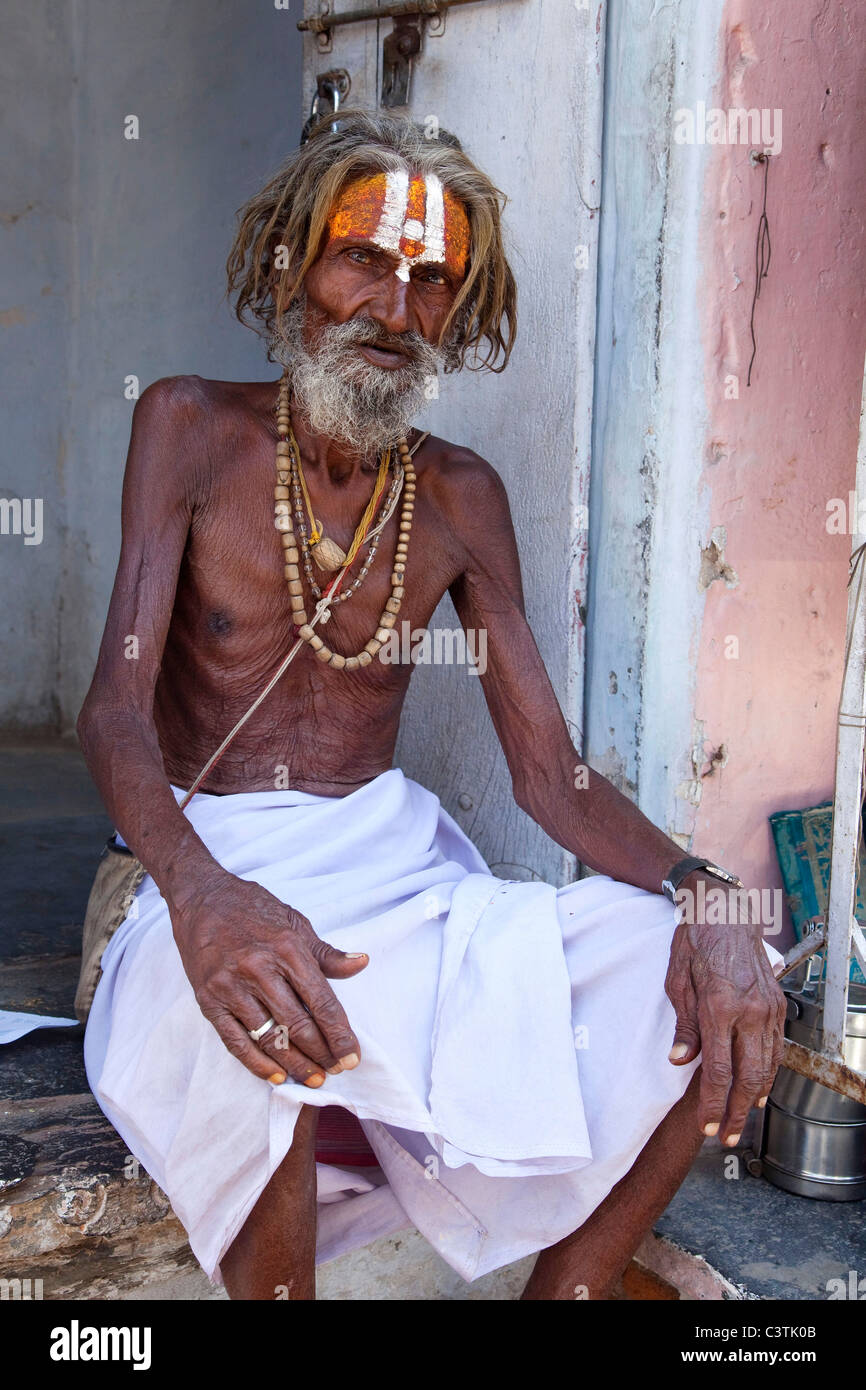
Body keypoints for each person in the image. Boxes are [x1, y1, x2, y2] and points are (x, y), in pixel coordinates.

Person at [78, 109, 785, 1301]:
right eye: (362, 260)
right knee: (265, 1011)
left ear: (461, 307)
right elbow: (112, 711)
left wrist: (709, 895)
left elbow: (548, 776)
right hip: (192, 857)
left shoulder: (459, 495)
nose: (391, 311)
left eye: (430, 281)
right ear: (289, 265)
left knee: (711, 955)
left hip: (397, 875)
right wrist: (203, 898)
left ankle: (561, 1294)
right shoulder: (189, 426)